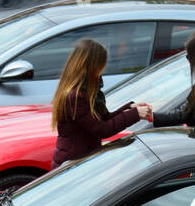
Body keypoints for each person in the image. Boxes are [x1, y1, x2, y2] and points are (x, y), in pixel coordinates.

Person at [50, 38, 151, 168]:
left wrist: (129, 108)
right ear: (91, 66)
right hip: (73, 164)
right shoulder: (75, 97)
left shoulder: (85, 91)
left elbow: (102, 120)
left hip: (79, 161)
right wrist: (134, 114)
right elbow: (101, 129)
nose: (101, 71)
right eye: (100, 66)